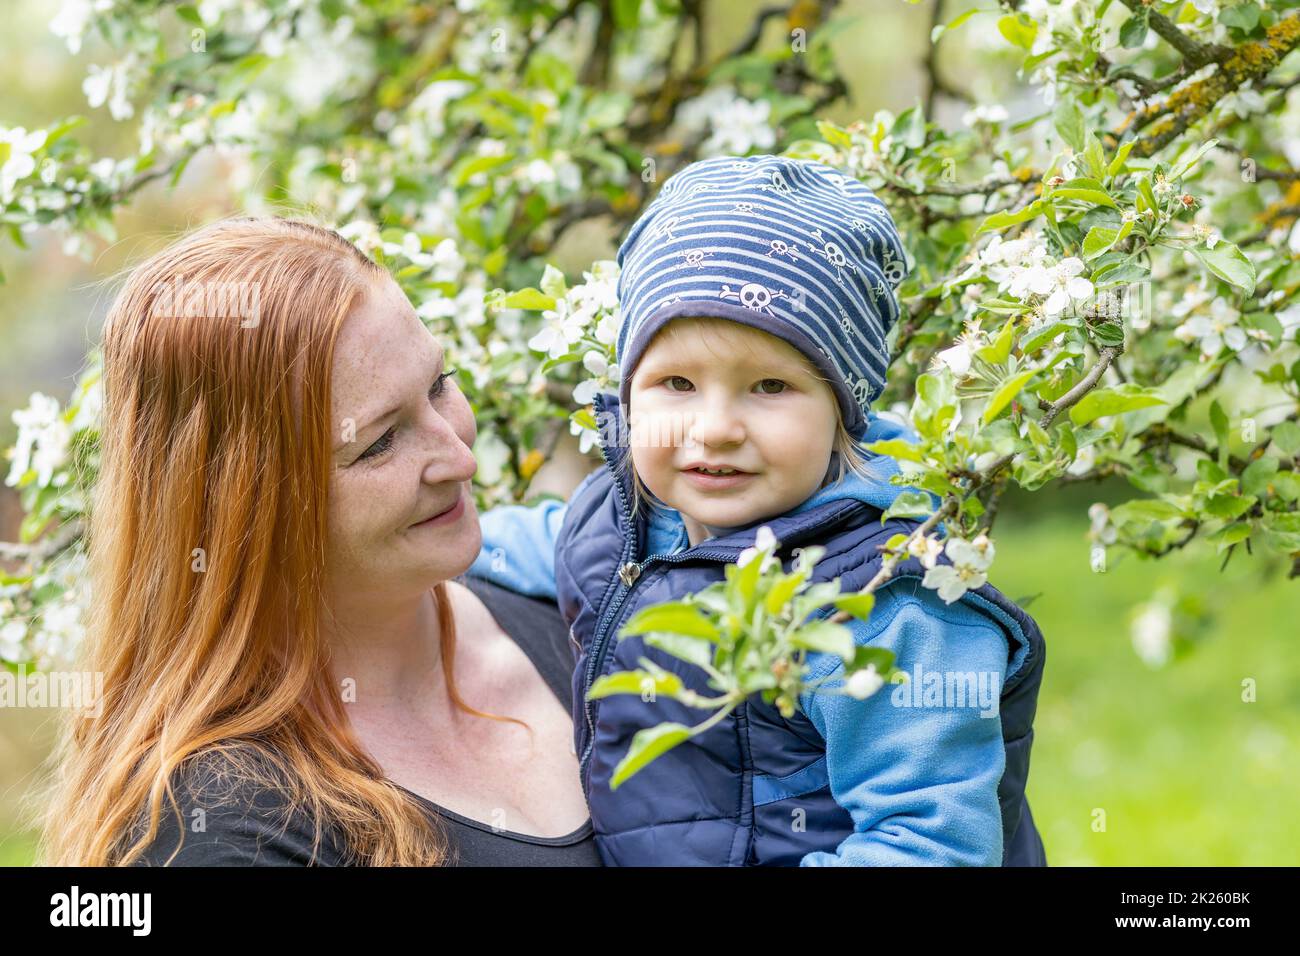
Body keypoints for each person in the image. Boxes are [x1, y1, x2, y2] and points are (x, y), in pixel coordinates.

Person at [471, 155, 1048, 866]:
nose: (713, 428)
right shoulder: (619, 522)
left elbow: (931, 841)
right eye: (676, 382)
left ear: (845, 414)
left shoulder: (883, 602)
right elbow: (516, 544)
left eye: (770, 386)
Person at [37, 217, 599, 866]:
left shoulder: (565, 605)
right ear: (247, 508)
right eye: (380, 442)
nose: (459, 457)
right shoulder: (227, 831)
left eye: (439, 386)